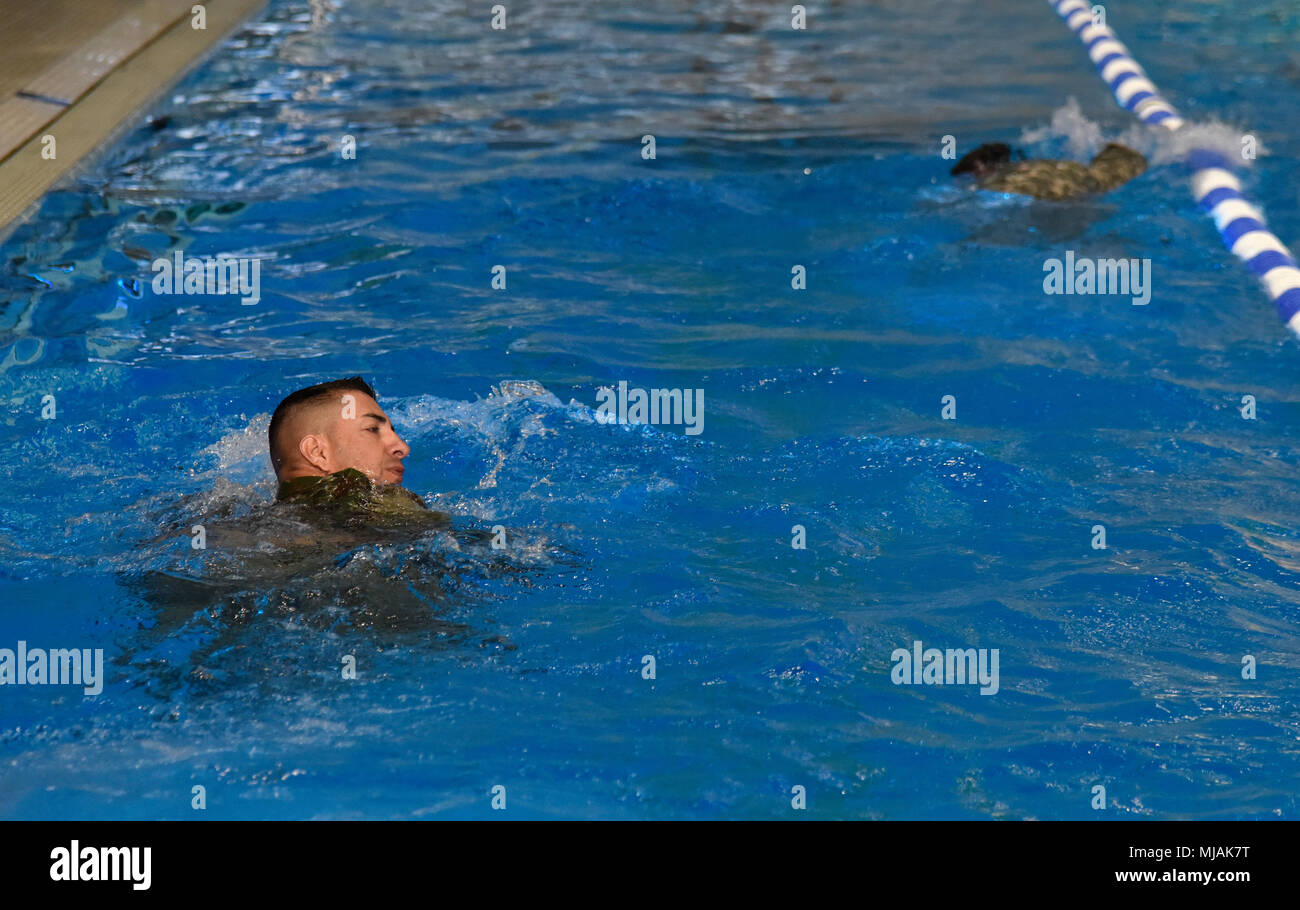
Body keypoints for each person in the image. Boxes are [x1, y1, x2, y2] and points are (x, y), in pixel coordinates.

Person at [267, 376, 441, 523]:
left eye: (393, 431)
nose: (403, 448)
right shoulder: (364, 500)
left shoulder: (262, 521)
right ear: (317, 452)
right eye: (372, 429)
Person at [950, 141, 1146, 201]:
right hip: (1085, 182)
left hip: (1042, 201)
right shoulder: (1048, 164)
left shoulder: (998, 183)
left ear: (980, 169)